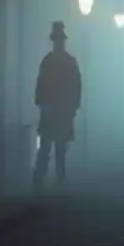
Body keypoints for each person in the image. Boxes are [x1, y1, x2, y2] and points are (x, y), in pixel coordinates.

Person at [34, 21, 81, 188]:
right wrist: (73, 106)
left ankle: (46, 179)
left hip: (56, 110)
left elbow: (40, 86)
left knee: (53, 148)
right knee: (53, 147)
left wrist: (41, 102)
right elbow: (76, 86)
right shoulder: (66, 62)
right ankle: (50, 179)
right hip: (57, 110)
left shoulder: (50, 62)